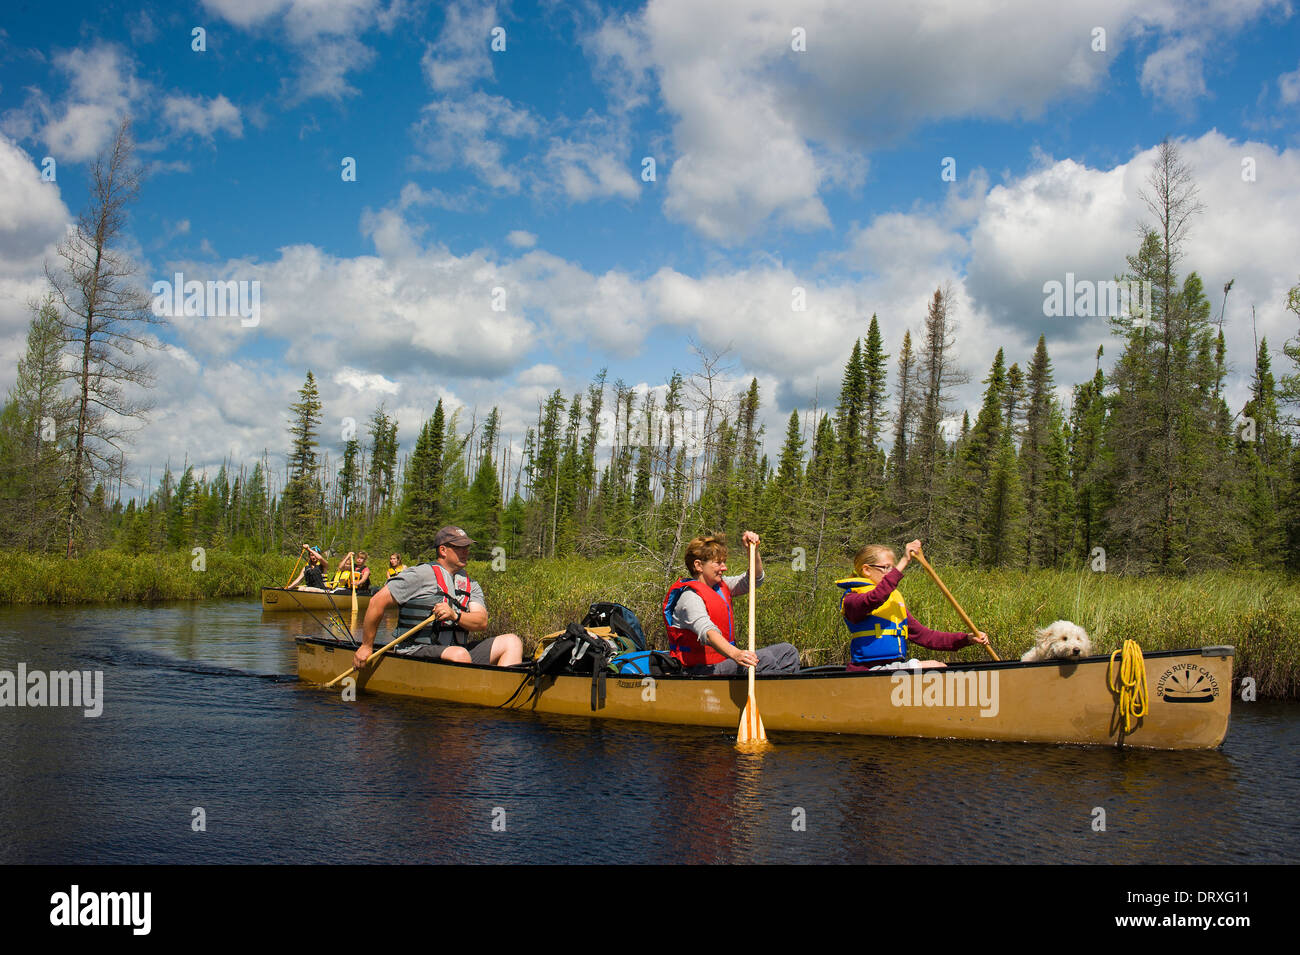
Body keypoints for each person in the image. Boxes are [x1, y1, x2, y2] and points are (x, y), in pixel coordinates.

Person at [352, 526, 523, 669]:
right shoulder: (419, 574)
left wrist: (455, 615)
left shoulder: (471, 584)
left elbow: (481, 621)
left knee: (512, 642)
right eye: (460, 547)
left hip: (456, 652)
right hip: (415, 650)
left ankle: (501, 693)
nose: (466, 551)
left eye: (467, 547)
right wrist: (366, 646)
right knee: (459, 654)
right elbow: (377, 602)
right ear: (443, 550)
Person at [836, 540, 988, 671]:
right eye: (886, 568)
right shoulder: (852, 601)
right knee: (936, 668)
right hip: (868, 671)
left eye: (892, 568)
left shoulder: (894, 604)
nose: (891, 573)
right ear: (867, 570)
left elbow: (926, 637)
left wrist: (966, 639)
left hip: (893, 668)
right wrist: (904, 561)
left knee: (939, 668)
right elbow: (874, 598)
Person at [662, 531, 800, 675]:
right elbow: (708, 633)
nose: (724, 568)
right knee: (764, 660)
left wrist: (753, 551)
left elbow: (755, 579)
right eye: (718, 563)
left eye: (724, 562)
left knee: (788, 652)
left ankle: (788, 691)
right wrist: (737, 654)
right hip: (700, 669)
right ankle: (776, 694)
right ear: (698, 566)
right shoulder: (689, 598)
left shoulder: (721, 586)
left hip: (722, 662)